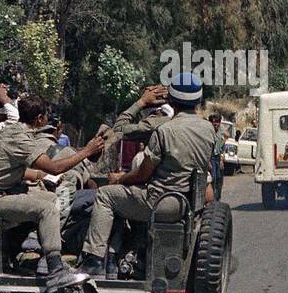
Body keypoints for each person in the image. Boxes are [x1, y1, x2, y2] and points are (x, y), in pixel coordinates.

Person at [80, 74, 215, 277]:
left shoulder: (164, 130)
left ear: (170, 100)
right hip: (186, 204)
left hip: (159, 202)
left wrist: (119, 179)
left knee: (106, 196)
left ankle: (93, 261)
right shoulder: (208, 130)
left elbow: (142, 173)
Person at [0, 95, 105, 288]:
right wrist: (86, 151)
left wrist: (41, 176)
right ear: (40, 119)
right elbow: (55, 168)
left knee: (50, 198)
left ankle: (23, 252)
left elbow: (14, 169)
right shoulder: (19, 138)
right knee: (46, 209)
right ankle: (56, 269)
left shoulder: (12, 131)